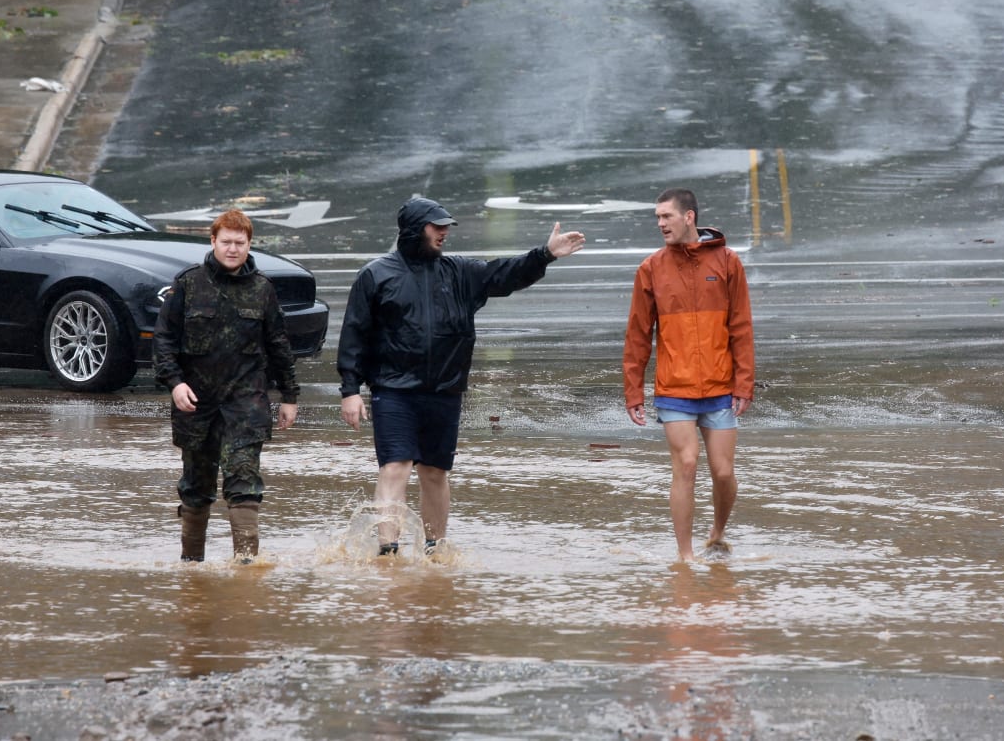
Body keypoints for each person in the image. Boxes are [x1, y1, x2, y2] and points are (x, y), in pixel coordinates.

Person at [336, 196, 585, 555]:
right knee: (396, 467)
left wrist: (544, 254)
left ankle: (435, 549)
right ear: (414, 229)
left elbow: (505, 274)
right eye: (436, 227)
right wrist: (350, 389)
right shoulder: (376, 274)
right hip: (393, 391)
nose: (444, 233)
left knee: (435, 472)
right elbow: (354, 334)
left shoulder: (460, 273)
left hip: (444, 391)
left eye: (446, 227)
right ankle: (388, 550)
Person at [154, 209, 299, 563]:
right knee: (195, 488)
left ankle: (246, 569)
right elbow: (164, 341)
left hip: (245, 404)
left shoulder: (262, 289)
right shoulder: (188, 284)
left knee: (244, 483)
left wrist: (290, 397)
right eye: (226, 242)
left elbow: (279, 345)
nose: (232, 249)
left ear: (249, 245)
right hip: (196, 404)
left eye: (240, 243)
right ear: (213, 241)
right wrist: (175, 384)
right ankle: (191, 569)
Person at [622, 188, 755, 563]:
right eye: (658, 218)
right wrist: (633, 391)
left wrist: (744, 382)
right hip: (674, 387)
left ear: (689, 217)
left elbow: (741, 327)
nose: (661, 224)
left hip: (720, 386)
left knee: (724, 472)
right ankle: (685, 557)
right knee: (687, 463)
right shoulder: (650, 269)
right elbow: (637, 335)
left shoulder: (728, 263)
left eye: (667, 217)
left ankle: (717, 532)